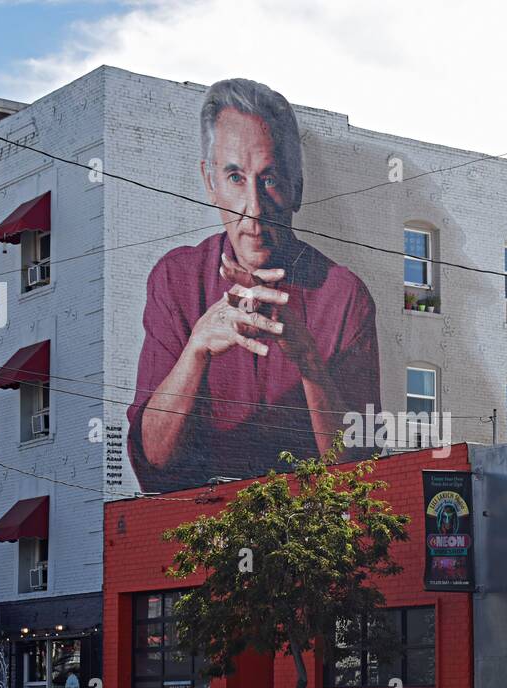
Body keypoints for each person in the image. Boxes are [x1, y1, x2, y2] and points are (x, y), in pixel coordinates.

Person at [127, 78, 381, 493]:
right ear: (210, 183)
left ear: (297, 188)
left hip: (310, 533)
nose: (254, 210)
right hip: (200, 532)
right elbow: (154, 458)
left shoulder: (344, 295)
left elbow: (360, 468)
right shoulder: (176, 279)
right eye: (235, 178)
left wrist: (309, 363)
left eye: (270, 179)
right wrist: (196, 350)